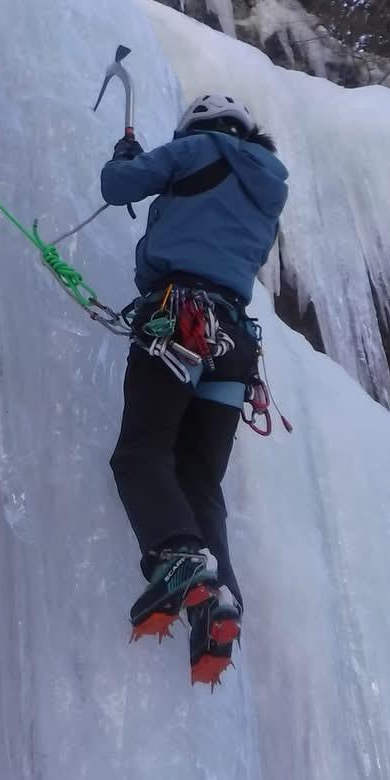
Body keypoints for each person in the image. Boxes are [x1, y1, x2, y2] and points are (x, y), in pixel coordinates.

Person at [101, 91, 288, 686]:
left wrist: (127, 153)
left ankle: (180, 554)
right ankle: (218, 603)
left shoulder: (197, 148)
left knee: (141, 453)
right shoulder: (270, 189)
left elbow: (118, 186)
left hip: (179, 316)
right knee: (199, 477)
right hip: (235, 344)